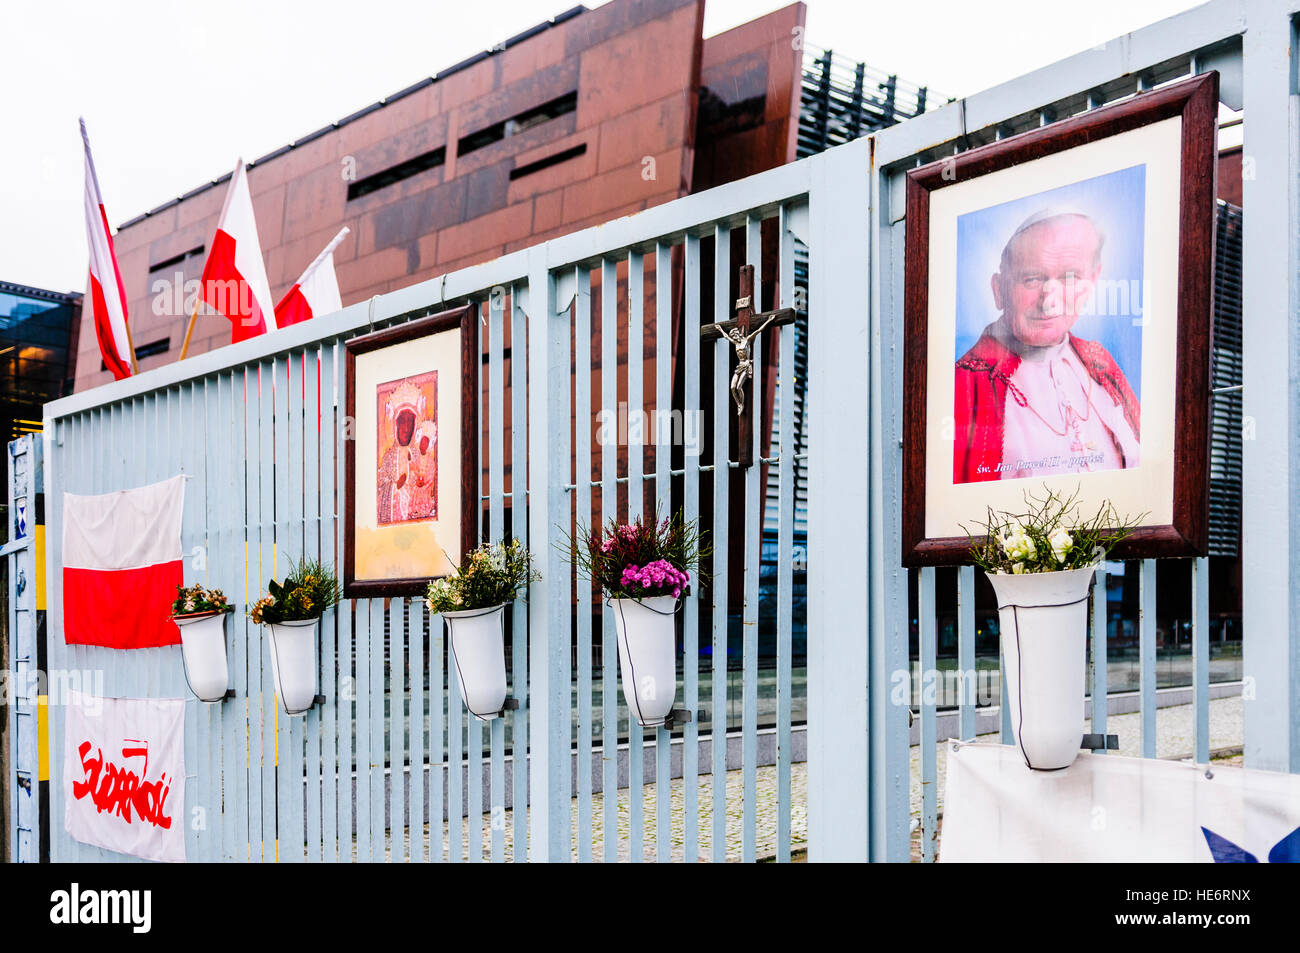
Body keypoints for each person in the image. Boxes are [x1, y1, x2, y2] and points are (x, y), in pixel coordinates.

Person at [953, 208, 1140, 484]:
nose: (1049, 301)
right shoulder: (967, 384)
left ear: (1091, 282)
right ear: (998, 289)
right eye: (1032, 279)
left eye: (1070, 277)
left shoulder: (1100, 363)